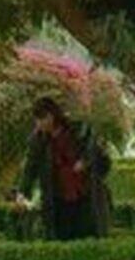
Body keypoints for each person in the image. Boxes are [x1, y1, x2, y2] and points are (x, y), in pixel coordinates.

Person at [15, 96, 111, 240]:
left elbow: (103, 160)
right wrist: (22, 193)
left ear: (52, 116)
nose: (39, 124)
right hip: (57, 200)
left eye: (42, 119)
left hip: (85, 198)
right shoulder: (38, 140)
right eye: (37, 120)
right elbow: (30, 167)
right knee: (61, 238)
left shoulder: (80, 131)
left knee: (88, 238)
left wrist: (85, 163)